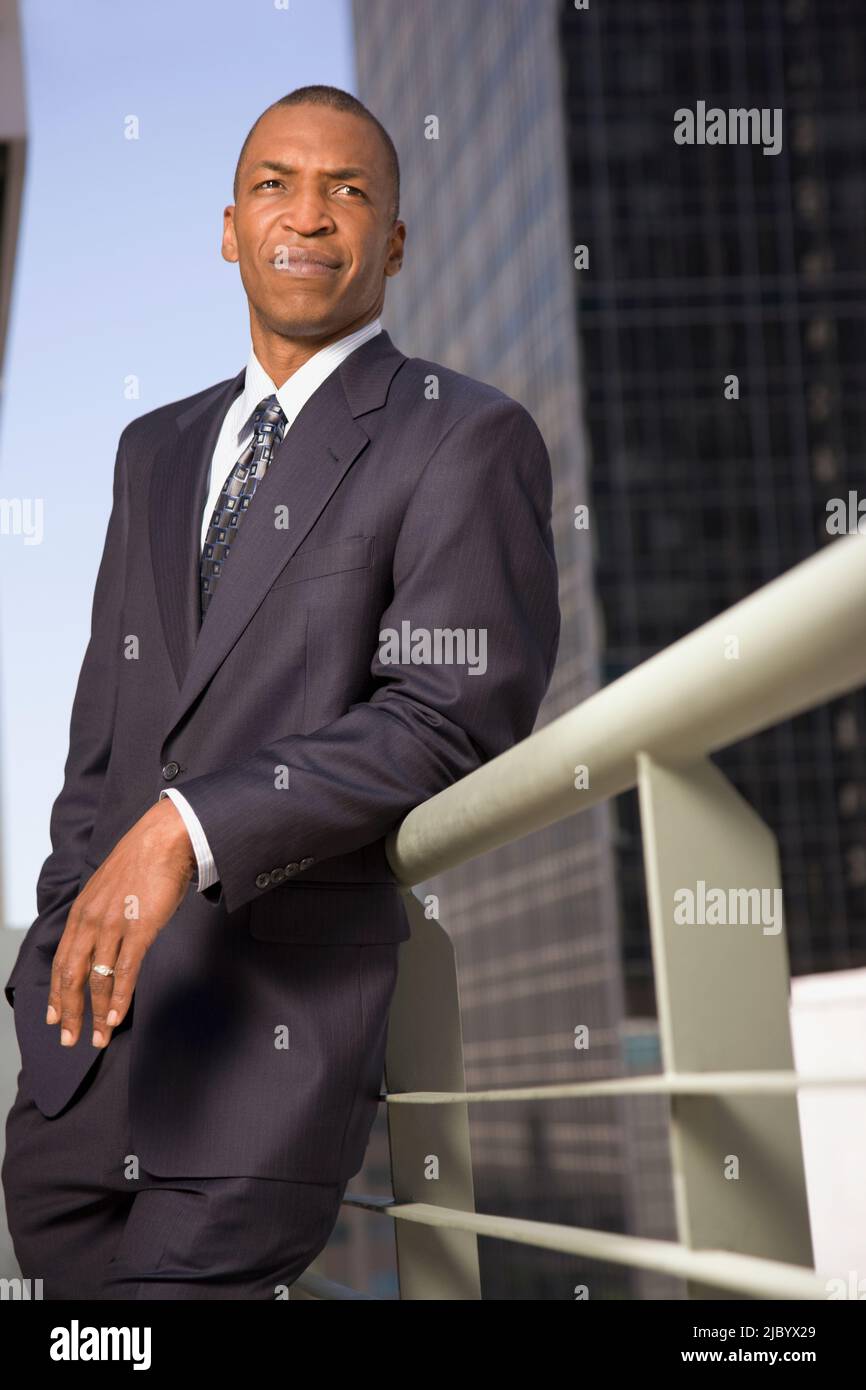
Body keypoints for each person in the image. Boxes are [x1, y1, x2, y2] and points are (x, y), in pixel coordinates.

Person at [2, 84, 560, 1299]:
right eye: (274, 184)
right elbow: (100, 747)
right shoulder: (152, 451)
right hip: (80, 1078)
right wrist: (51, 945)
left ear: (395, 242)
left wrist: (189, 826)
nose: (307, 214)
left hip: (269, 1055)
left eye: (348, 190)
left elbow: (447, 713)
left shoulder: (464, 437)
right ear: (227, 227)